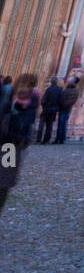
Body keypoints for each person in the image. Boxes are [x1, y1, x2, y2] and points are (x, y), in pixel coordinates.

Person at [0, 75, 39, 212]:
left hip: (11, 146)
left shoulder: (32, 101)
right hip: (6, 141)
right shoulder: (7, 97)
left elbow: (28, 123)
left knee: (3, 184)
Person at [55, 75, 80, 144]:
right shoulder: (76, 90)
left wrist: (62, 104)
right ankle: (62, 139)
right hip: (69, 108)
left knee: (61, 123)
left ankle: (58, 139)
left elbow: (62, 98)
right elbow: (74, 99)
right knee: (64, 123)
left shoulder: (67, 89)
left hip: (63, 108)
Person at [38, 76, 61, 144]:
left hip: (47, 108)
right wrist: (57, 108)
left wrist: (43, 106)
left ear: (51, 81)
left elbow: (43, 100)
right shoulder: (59, 90)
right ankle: (47, 139)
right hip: (53, 110)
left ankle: (39, 138)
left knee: (42, 124)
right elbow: (60, 100)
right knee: (49, 125)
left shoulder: (49, 89)